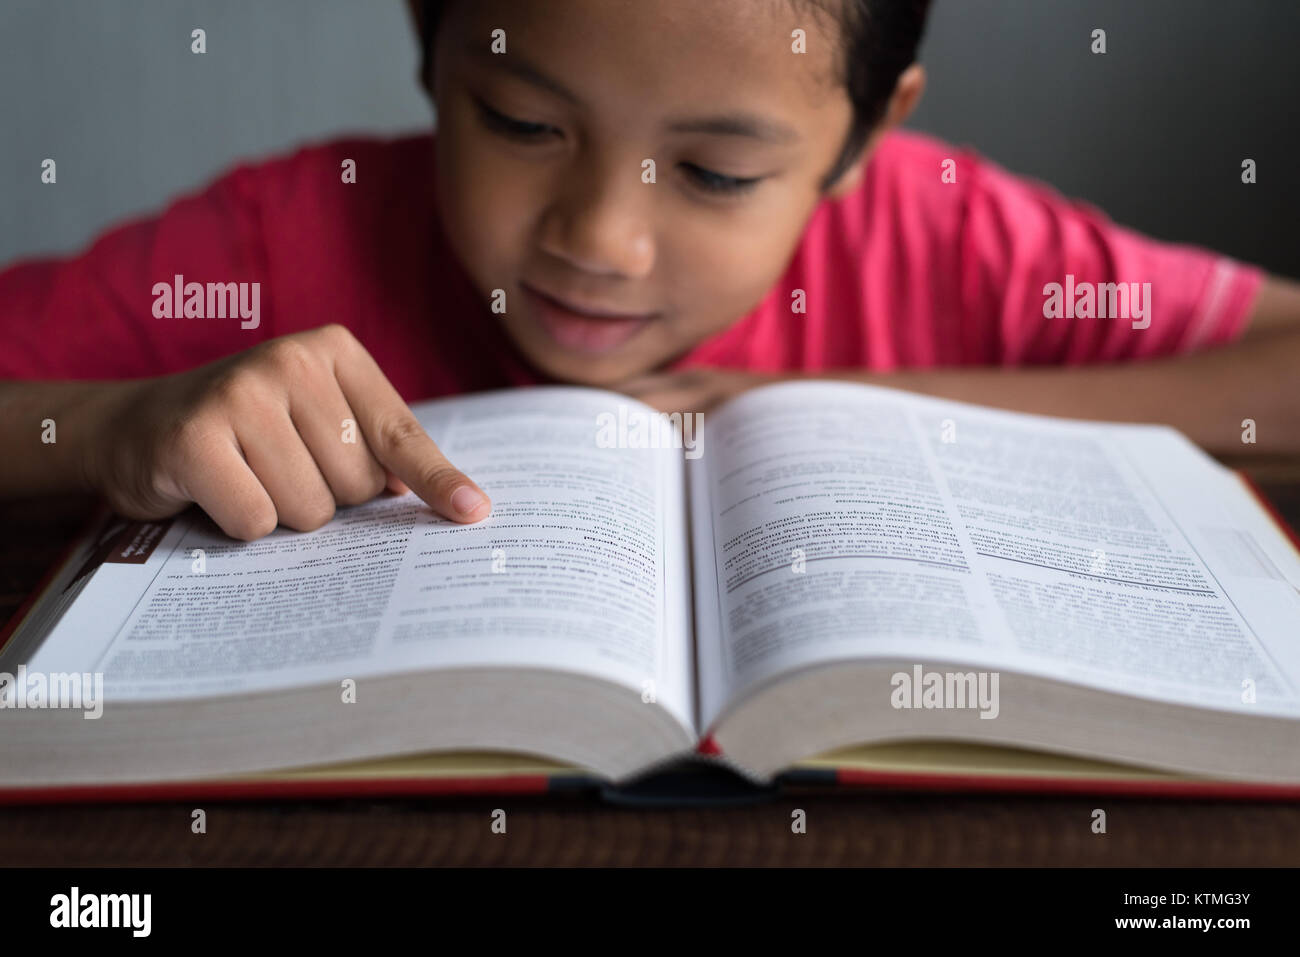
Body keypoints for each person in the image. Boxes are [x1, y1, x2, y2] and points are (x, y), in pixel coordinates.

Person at [1, 0, 1296, 541]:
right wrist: (113, 425)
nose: (599, 242)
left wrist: (883, 417)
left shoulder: (946, 236)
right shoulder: (286, 239)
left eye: (719, 174)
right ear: (429, 47)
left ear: (861, 140)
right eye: (519, 122)